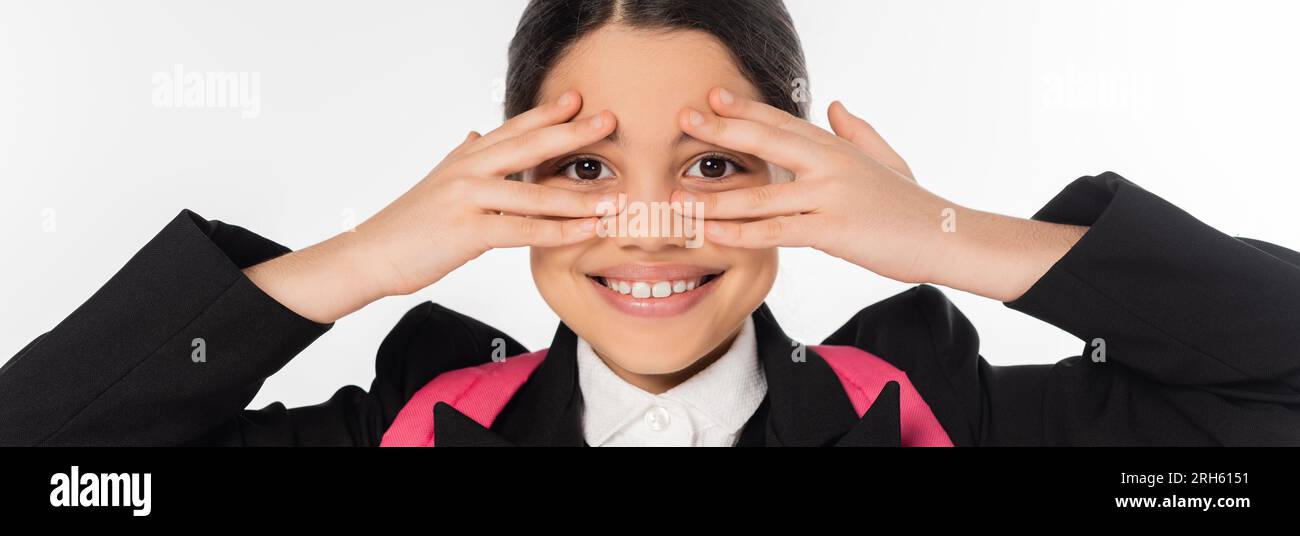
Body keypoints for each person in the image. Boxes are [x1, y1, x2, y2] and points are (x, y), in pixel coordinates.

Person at [2, 0, 1298, 447]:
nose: (649, 219)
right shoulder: (406, 435)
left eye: (719, 162)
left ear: (817, 181)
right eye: (578, 166)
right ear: (494, 188)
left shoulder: (944, 424)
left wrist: (949, 236)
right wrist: (358, 263)